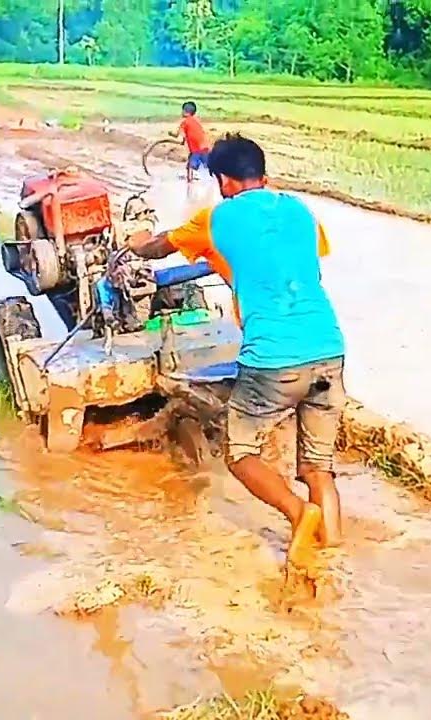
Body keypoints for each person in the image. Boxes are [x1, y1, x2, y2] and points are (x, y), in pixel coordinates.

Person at [126, 134, 346, 566]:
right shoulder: (301, 212)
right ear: (264, 175)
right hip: (329, 347)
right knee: (319, 467)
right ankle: (332, 552)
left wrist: (134, 244)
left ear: (224, 180)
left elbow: (161, 247)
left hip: (273, 357)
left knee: (241, 452)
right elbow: (301, 266)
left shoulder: (216, 217)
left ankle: (300, 515)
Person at [174, 101, 210, 184]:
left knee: (190, 166)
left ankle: (189, 183)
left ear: (184, 111)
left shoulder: (185, 122)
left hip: (196, 149)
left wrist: (171, 134)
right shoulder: (196, 120)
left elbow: (179, 135)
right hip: (205, 147)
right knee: (209, 165)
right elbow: (192, 133)